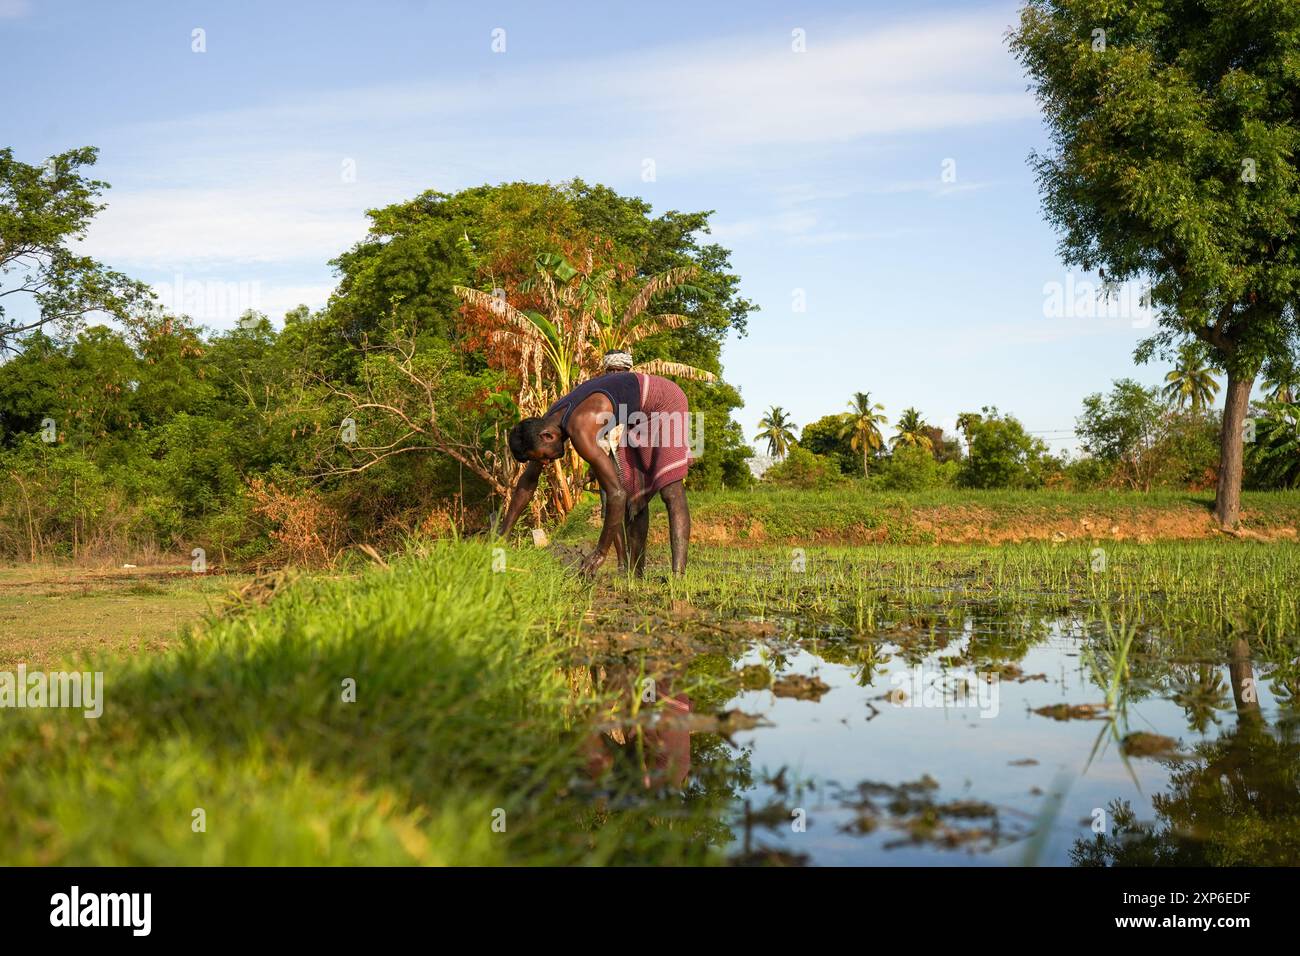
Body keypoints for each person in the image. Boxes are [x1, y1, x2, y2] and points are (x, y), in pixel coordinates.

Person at [497, 370, 692, 576]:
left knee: (671, 490)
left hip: (664, 401)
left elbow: (615, 495)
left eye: (544, 456)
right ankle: (636, 576)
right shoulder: (547, 423)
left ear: (547, 436)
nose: (545, 462)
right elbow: (528, 481)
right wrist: (503, 533)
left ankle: (678, 578)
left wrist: (600, 553)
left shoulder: (580, 428)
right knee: (635, 498)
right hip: (638, 417)